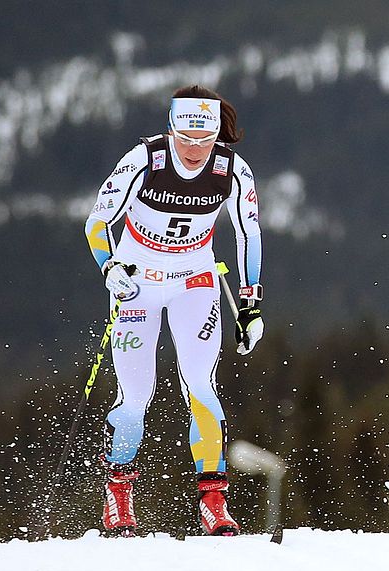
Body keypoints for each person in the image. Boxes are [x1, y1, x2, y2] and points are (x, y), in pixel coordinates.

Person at [83, 85, 264, 536]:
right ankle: (119, 495)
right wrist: (110, 267)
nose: (194, 151)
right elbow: (97, 221)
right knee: (135, 395)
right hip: (137, 283)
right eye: (186, 139)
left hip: (195, 281)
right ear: (171, 129)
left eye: (205, 141)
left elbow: (249, 233)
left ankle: (214, 501)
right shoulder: (144, 160)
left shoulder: (232, 170)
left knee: (202, 385)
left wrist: (250, 304)